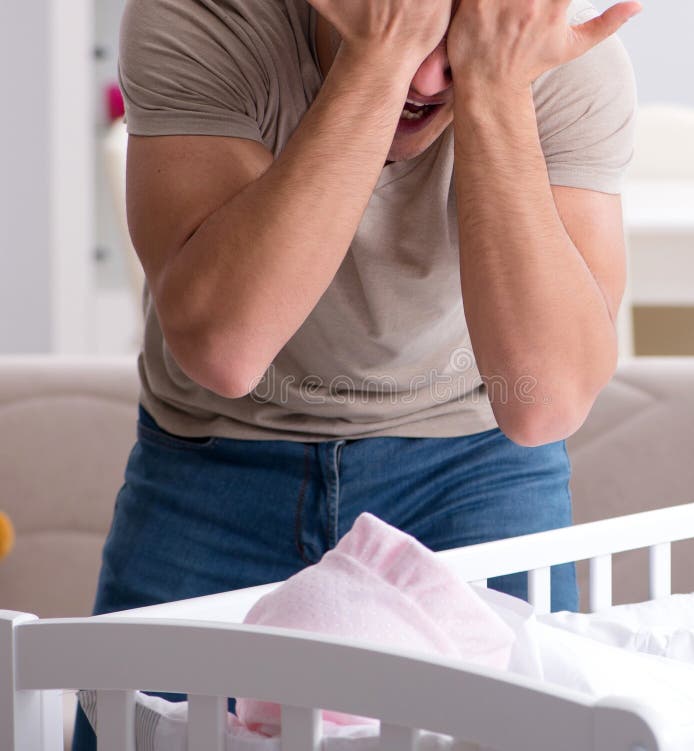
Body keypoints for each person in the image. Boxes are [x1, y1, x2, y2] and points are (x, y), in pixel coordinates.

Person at [73, 0, 640, 746]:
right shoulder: (202, 15)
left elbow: (547, 404)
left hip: (471, 468)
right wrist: (375, 61)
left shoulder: (557, 62)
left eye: (458, 37)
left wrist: (495, 88)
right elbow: (226, 351)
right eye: (406, 20)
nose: (432, 76)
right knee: (138, 728)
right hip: (217, 464)